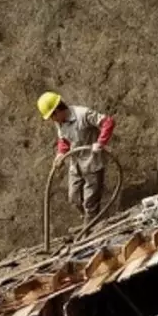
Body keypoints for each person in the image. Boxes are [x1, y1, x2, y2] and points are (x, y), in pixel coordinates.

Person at [37, 91, 115, 223]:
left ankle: (89, 231)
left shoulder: (83, 115)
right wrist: (61, 153)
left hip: (92, 164)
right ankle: (92, 221)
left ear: (57, 111)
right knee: (73, 198)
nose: (52, 120)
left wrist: (101, 142)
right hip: (76, 165)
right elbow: (64, 140)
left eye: (51, 116)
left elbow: (108, 122)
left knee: (90, 203)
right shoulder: (60, 122)